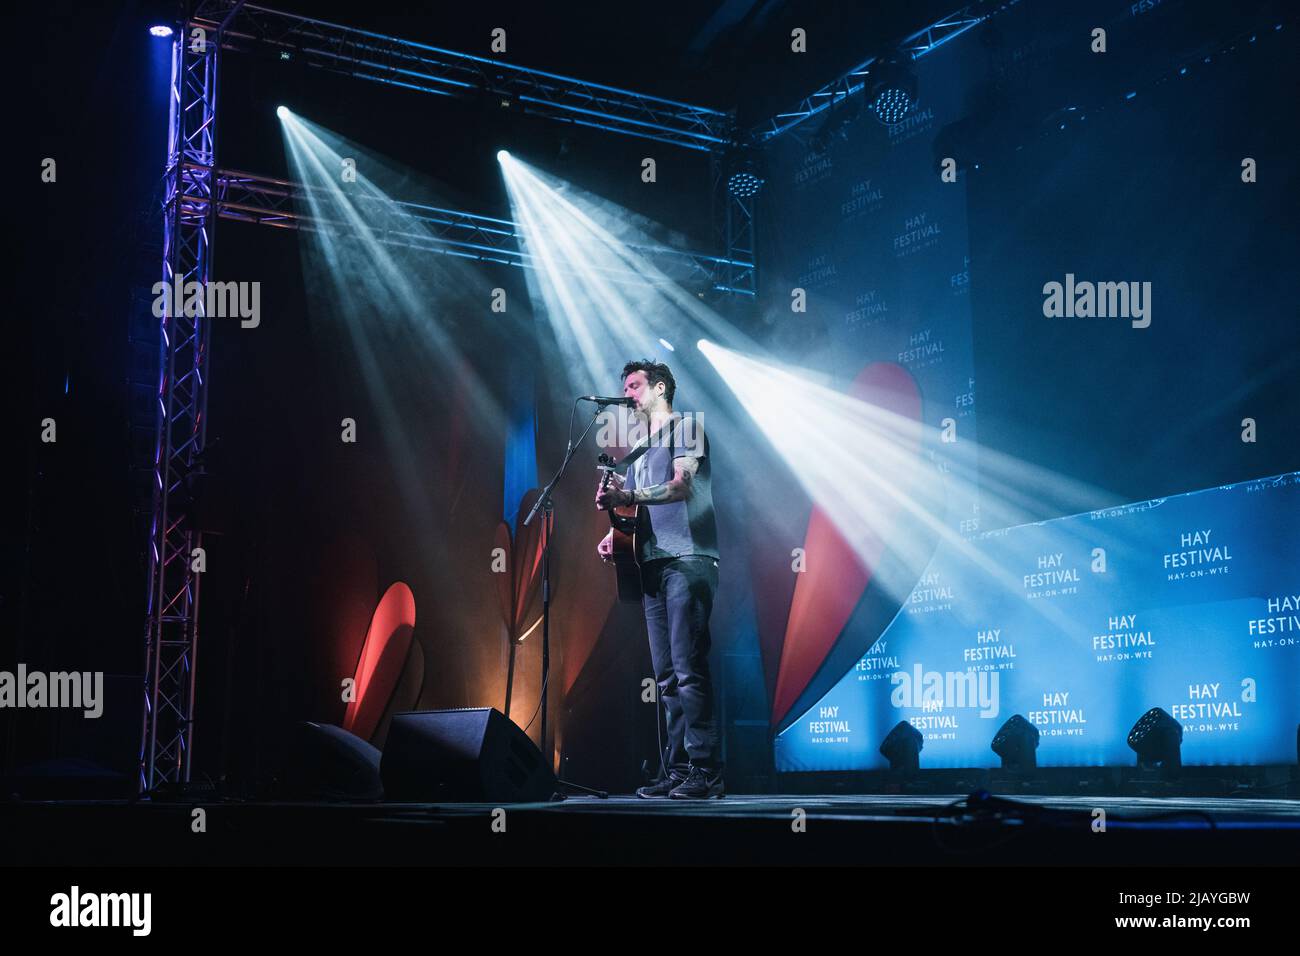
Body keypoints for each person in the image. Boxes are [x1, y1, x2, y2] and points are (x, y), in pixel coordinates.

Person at [595, 359, 723, 799]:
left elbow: (681, 486)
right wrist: (616, 533)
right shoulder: (637, 448)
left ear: (660, 388)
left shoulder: (687, 427)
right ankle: (679, 767)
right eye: (625, 387)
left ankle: (706, 772)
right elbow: (636, 512)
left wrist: (626, 493)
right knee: (666, 676)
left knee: (688, 669)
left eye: (634, 386)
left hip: (688, 559)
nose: (627, 394)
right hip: (651, 564)